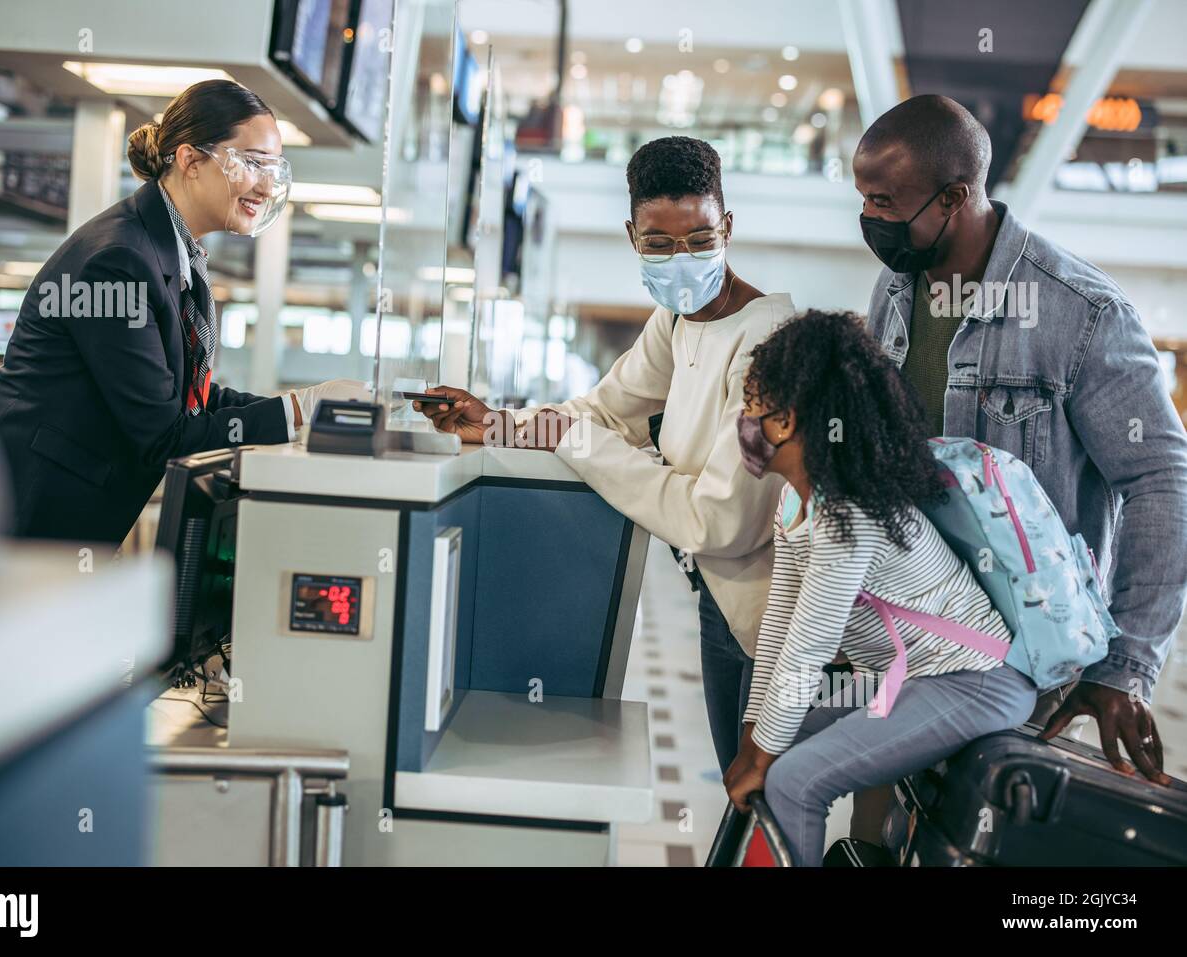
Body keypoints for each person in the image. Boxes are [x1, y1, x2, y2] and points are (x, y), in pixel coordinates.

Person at [416, 136, 796, 770]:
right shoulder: (677, 322)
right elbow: (599, 413)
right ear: (631, 235)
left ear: (727, 227)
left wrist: (581, 442)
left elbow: (718, 521)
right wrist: (497, 424)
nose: (683, 259)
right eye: (659, 243)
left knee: (766, 801)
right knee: (742, 794)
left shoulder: (768, 341)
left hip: (769, 619)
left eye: (701, 239)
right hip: (718, 601)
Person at [853, 94, 1187, 783]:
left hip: (1025, 663)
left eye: (887, 202)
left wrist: (1125, 666)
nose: (871, 219)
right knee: (878, 835)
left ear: (953, 197)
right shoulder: (895, 288)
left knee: (984, 833)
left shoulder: (1080, 312)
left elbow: (1161, 480)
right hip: (911, 635)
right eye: (865, 199)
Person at [0, 80, 363, 544]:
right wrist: (297, 411)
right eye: (253, 164)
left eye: (273, 169)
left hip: (47, 512)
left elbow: (187, 396)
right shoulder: (118, 260)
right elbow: (166, 435)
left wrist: (307, 409)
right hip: (10, 510)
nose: (264, 185)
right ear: (190, 160)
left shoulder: (170, 253)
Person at [722, 309, 1038, 867]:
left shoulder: (851, 511)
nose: (744, 421)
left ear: (787, 420)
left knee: (795, 779)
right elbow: (780, 625)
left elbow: (811, 645)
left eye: (751, 405)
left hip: (976, 682)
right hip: (917, 680)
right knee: (776, 745)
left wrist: (764, 753)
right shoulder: (798, 500)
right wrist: (753, 734)